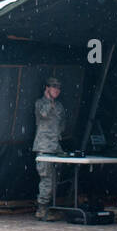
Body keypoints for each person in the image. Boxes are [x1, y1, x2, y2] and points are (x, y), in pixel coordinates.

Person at [32, 76, 66, 221]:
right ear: (47, 88)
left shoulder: (59, 106)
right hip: (44, 147)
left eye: (58, 87)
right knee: (46, 179)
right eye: (53, 87)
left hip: (56, 147)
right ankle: (42, 209)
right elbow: (43, 114)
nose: (57, 90)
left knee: (55, 179)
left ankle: (50, 207)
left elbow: (62, 125)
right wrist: (48, 100)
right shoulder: (40, 103)